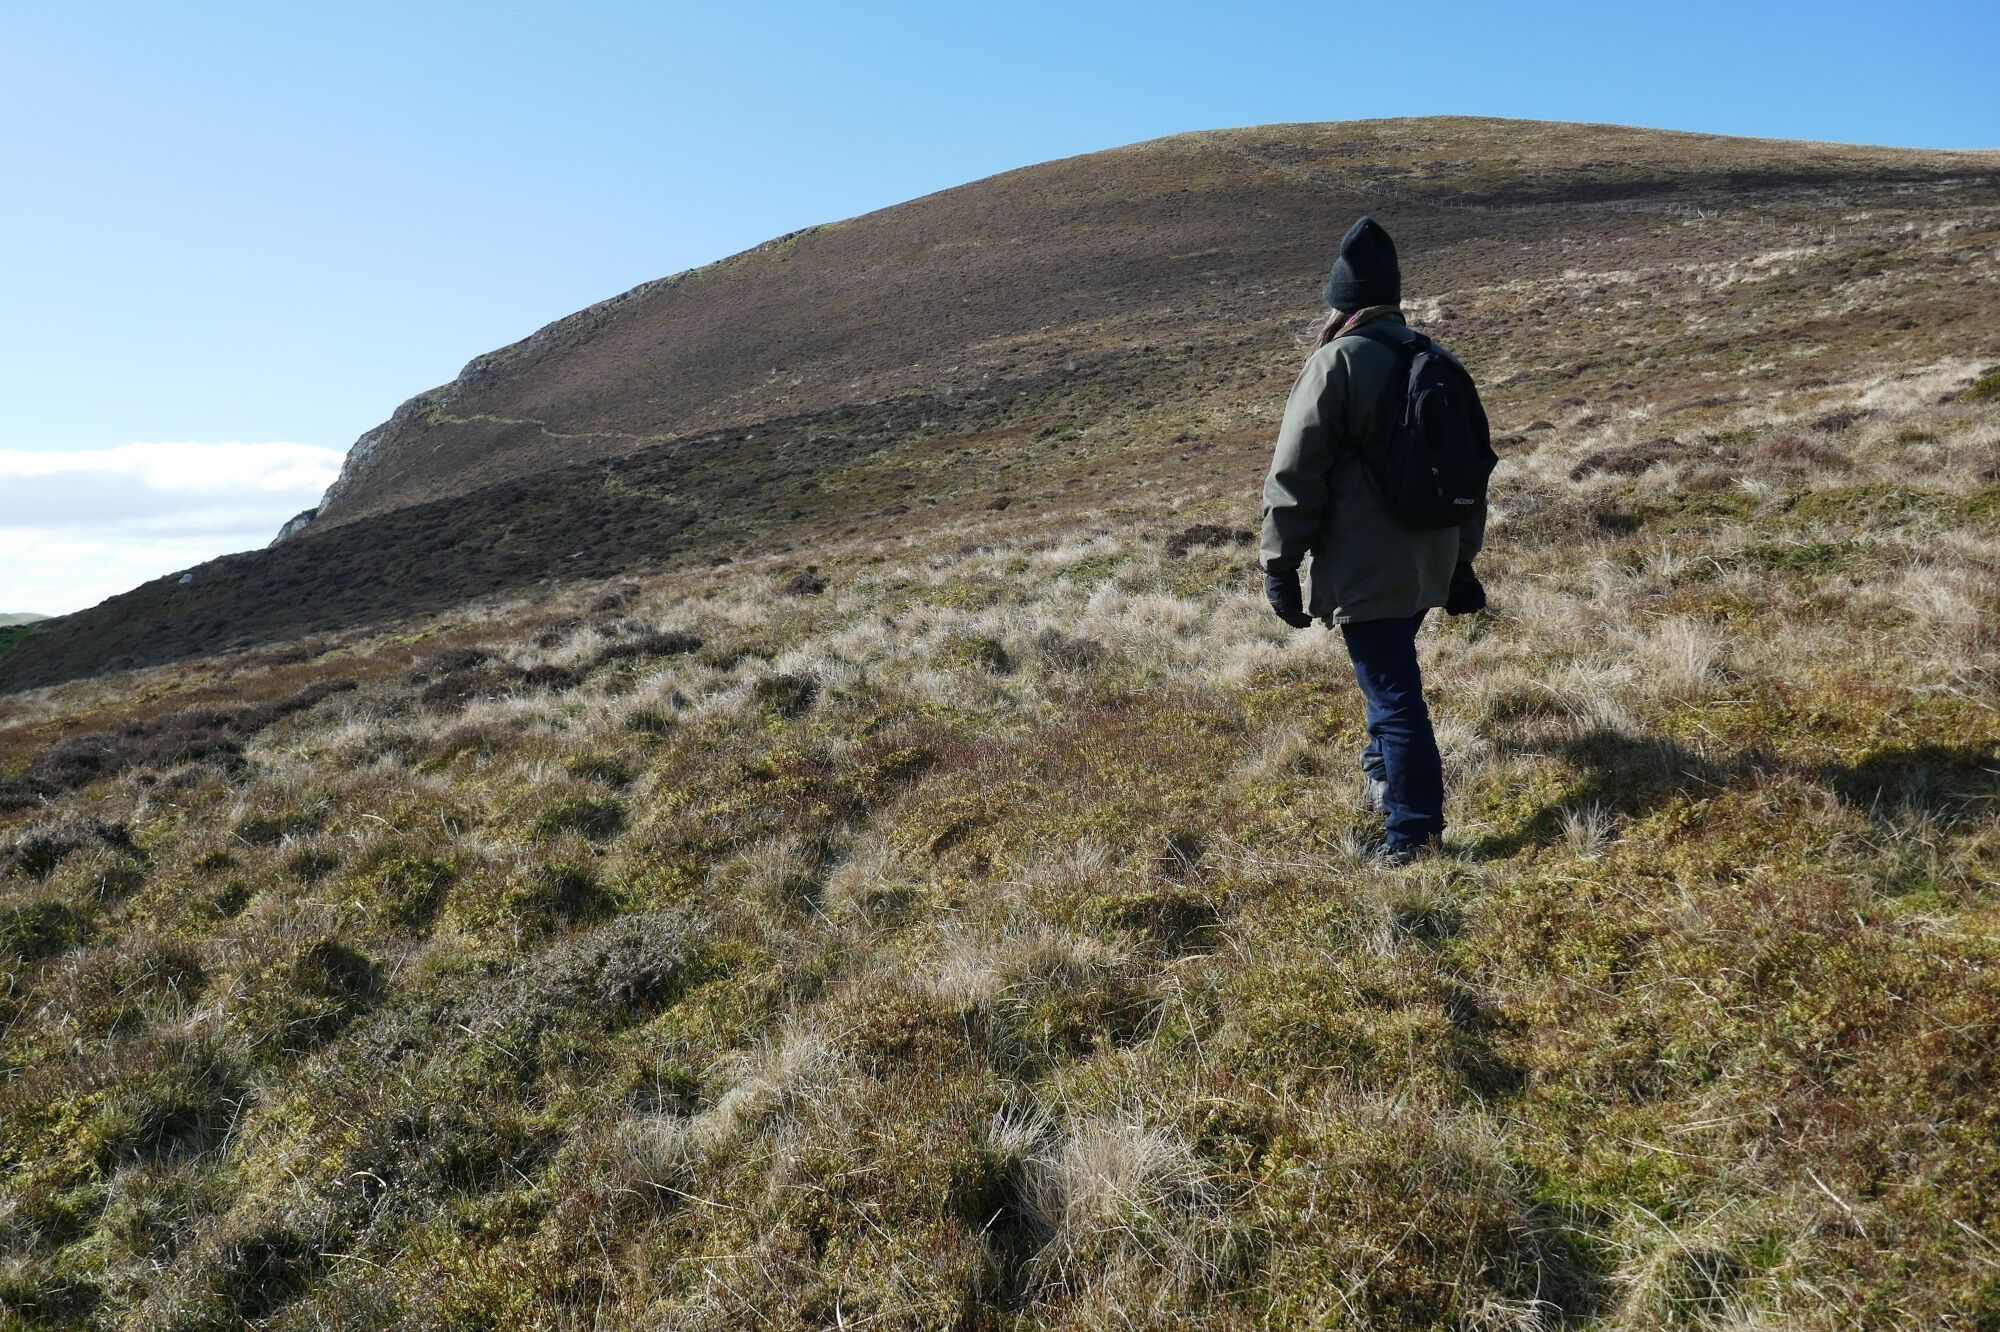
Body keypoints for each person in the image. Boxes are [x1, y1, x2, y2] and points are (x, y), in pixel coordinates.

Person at [1258, 215, 1488, 866]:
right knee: (1387, 680)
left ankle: (1412, 834)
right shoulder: (1437, 360)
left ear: (1340, 303)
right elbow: (1474, 471)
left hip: (1369, 565)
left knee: (1394, 697)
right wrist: (1461, 559)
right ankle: (1382, 779)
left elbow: (1294, 474)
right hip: (1430, 558)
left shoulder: (1335, 364)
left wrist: (1279, 564)